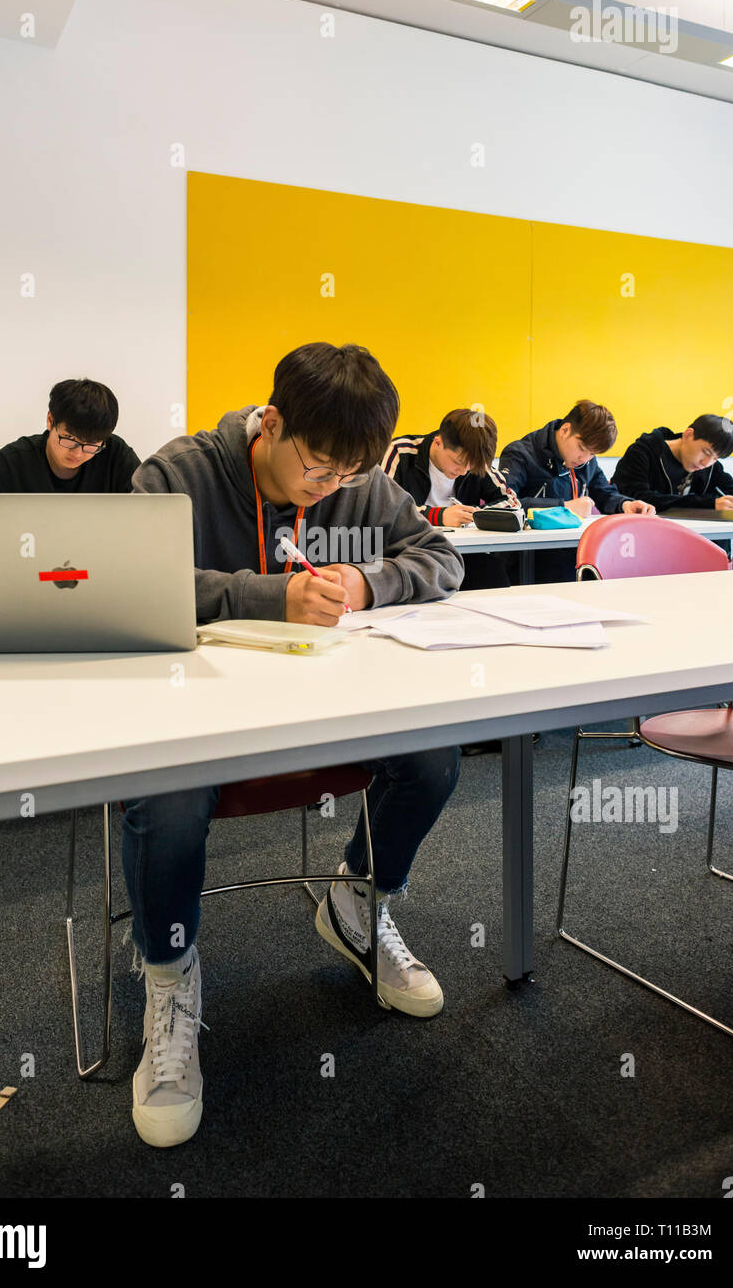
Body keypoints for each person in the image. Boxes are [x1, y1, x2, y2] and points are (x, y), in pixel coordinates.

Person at [122, 342, 464, 1148]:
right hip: (192, 717)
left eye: (350, 474)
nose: (331, 487)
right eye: (316, 468)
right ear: (270, 423)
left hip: (323, 711)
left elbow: (441, 557)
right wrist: (265, 597)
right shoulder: (177, 475)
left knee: (432, 756)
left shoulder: (362, 482)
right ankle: (169, 977)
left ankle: (355, 899)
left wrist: (368, 582)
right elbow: (126, 581)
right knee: (166, 802)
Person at [498, 399, 655, 581]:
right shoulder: (520, 454)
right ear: (565, 430)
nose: (584, 459)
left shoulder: (585, 461)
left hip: (573, 555)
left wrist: (625, 504)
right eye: (582, 448)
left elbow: (604, 492)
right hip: (527, 560)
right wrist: (564, 507)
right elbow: (506, 505)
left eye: (593, 454)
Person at [382, 407, 519, 590]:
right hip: (409, 553)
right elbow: (384, 508)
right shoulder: (401, 452)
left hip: (462, 553)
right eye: (457, 462)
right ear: (438, 442)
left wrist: (478, 515)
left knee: (494, 576)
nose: (463, 471)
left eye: (471, 466)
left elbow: (512, 502)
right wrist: (438, 516)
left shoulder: (472, 461)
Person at [0, 378, 140, 492]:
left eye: (91, 446)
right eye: (69, 440)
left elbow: (148, 515)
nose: (77, 453)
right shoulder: (14, 461)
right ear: (50, 420)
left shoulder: (115, 455)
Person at [612, 415, 733, 512]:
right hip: (641, 538)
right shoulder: (643, 453)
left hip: (689, 540)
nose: (706, 463)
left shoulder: (709, 466)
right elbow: (639, 499)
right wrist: (709, 504)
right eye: (706, 452)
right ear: (688, 435)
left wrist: (731, 504)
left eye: (716, 458)